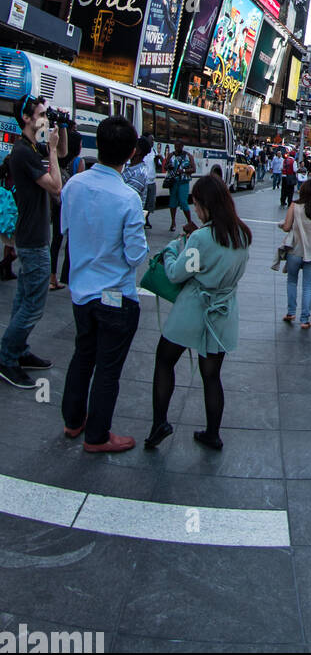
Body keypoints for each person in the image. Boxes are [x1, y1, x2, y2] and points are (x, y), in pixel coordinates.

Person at [59, 115, 148, 452]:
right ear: (130, 154)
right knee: (108, 369)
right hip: (115, 296)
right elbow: (136, 254)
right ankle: (97, 435)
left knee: (83, 355)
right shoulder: (128, 199)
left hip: (81, 292)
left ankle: (73, 421)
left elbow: (66, 230)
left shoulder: (74, 185)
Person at [145, 174, 252, 452]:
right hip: (224, 312)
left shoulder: (201, 238)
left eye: (196, 203)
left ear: (205, 204)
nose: (194, 208)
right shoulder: (242, 234)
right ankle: (213, 433)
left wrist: (172, 250)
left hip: (193, 309)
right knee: (212, 375)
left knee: (165, 361)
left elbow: (178, 273)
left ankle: (160, 422)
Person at [0, 95, 66, 388]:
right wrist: (50, 149)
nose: (43, 119)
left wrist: (60, 128)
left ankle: (19, 351)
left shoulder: (29, 146)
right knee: (33, 306)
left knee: (22, 300)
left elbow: (62, 153)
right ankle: (6, 357)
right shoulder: (23, 153)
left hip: (32, 237)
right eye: (40, 115)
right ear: (26, 118)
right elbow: (56, 187)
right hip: (33, 239)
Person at [280, 178, 311, 328]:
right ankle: (305, 319)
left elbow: (287, 227)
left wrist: (282, 225)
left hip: (295, 251)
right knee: (308, 286)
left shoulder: (295, 206)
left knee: (292, 281)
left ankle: (290, 312)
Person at [50, 126, 84, 290]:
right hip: (72, 207)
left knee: (55, 240)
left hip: (57, 202)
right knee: (72, 241)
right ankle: (67, 276)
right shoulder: (79, 161)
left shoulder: (58, 158)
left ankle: (51, 277)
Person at [167, 140, 194, 232]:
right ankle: (173, 222)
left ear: (182, 146)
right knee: (172, 202)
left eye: (178, 146)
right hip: (174, 181)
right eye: (175, 146)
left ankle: (189, 222)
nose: (176, 148)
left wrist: (184, 171)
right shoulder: (171, 155)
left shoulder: (188, 156)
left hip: (183, 181)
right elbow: (165, 166)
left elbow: (193, 169)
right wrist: (169, 166)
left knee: (183, 201)